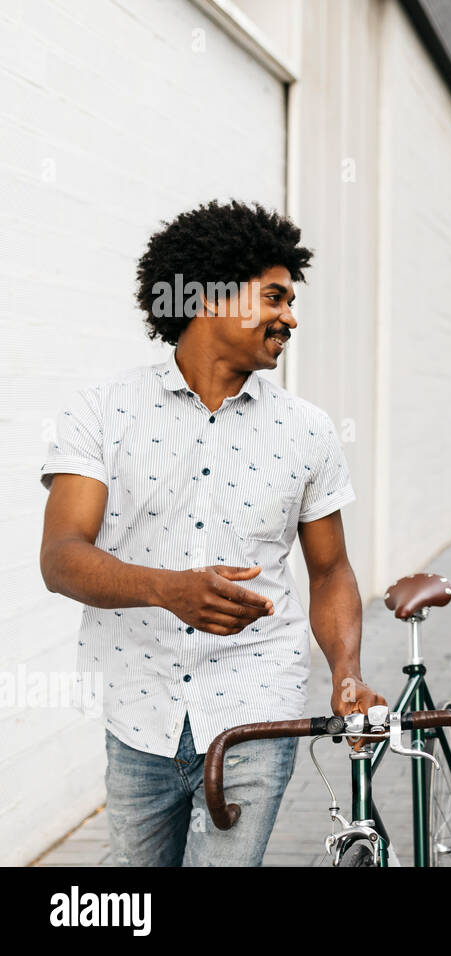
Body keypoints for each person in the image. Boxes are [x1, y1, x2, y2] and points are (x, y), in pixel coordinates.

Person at [39, 200, 385, 866]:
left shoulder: (308, 431)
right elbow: (62, 557)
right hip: (139, 713)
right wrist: (168, 589)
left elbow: (331, 571)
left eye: (291, 300)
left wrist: (347, 672)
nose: (290, 316)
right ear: (207, 298)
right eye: (275, 297)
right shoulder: (102, 412)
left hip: (258, 709)